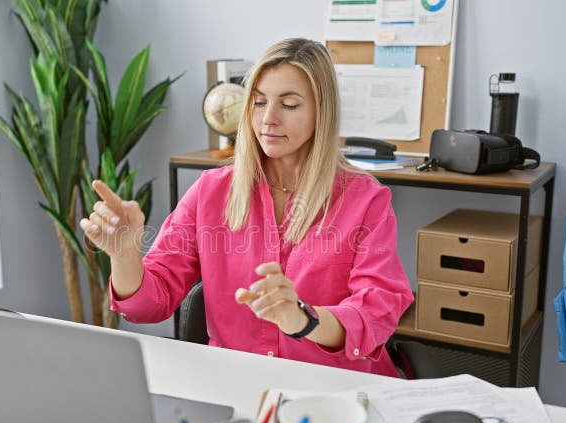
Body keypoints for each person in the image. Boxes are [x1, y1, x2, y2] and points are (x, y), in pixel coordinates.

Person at [80, 38, 413, 377]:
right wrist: (124, 257)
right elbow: (150, 304)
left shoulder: (365, 199)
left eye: (289, 104)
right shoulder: (211, 191)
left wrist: (302, 319)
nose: (268, 119)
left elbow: (376, 311)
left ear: (321, 111)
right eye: (258, 102)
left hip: (334, 388)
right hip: (238, 383)